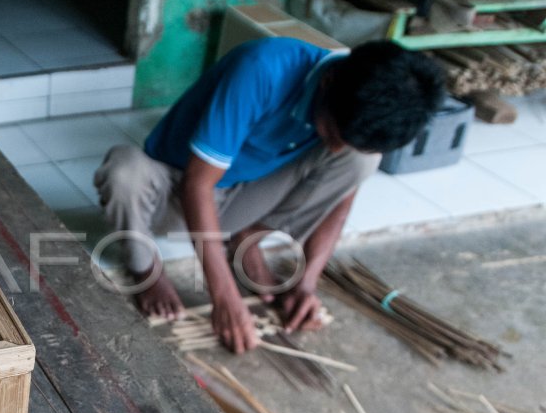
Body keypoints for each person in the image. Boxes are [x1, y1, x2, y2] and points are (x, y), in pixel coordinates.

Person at [94, 37, 444, 353]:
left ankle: (247, 239)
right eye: (335, 133)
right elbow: (197, 185)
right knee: (124, 171)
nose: (335, 147)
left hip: (241, 199)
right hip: (174, 193)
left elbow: (343, 196)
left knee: (361, 161)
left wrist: (306, 284)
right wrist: (226, 297)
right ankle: (146, 271)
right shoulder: (263, 69)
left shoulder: (348, 107)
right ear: (328, 80)